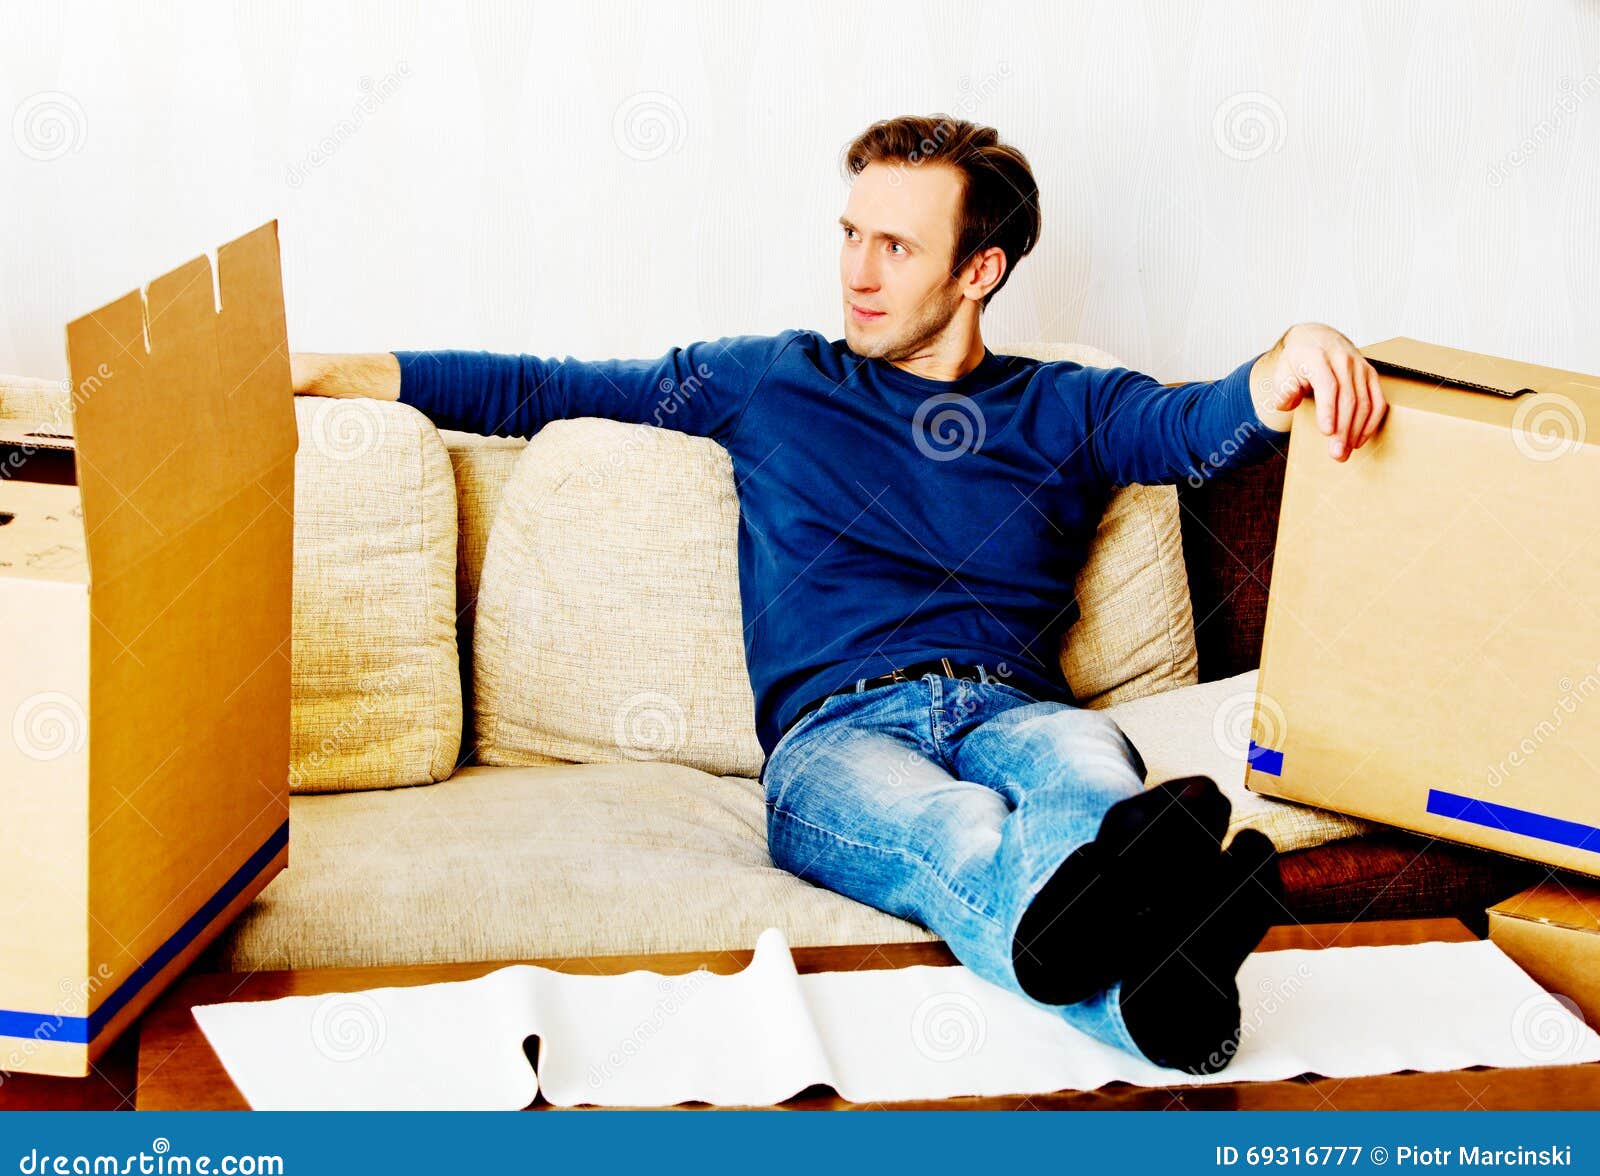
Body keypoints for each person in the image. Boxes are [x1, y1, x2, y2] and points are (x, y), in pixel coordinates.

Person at [292, 113, 1388, 1075]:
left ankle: (1153, 1008)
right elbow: (541, 388)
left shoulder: (1066, 405)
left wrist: (1289, 354)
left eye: (896, 245)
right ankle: (1150, 946)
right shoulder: (771, 380)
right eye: (850, 234)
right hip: (835, 731)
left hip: (1014, 704)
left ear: (978, 271)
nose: (857, 271)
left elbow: (1195, 427)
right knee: (957, 828)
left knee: (1083, 772)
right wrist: (336, 367)